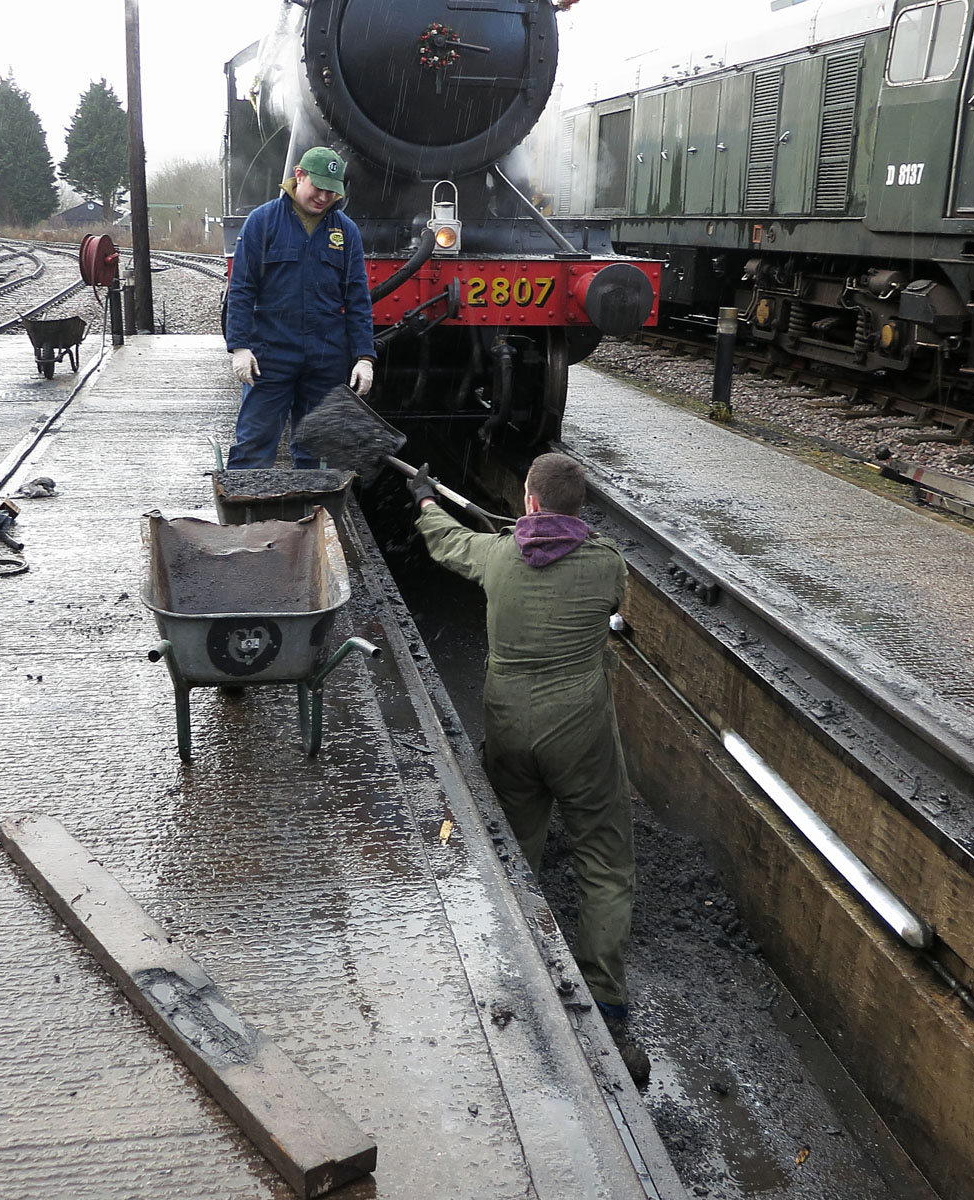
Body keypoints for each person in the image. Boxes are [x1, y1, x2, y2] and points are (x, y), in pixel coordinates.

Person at [408, 452, 649, 1085]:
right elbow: (601, 588)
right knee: (605, 860)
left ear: (529, 500)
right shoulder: (607, 565)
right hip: (582, 736)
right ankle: (608, 1010)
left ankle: (521, 980)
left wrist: (426, 500)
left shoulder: (495, 556)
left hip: (510, 731)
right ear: (576, 507)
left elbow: (448, 542)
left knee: (516, 853)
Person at [224, 146, 376, 469]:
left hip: (326, 358)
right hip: (270, 356)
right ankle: (247, 502)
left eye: (331, 191)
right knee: (254, 446)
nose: (323, 197)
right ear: (299, 176)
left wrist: (364, 357)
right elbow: (242, 289)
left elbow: (357, 299)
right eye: (318, 188)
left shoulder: (346, 232)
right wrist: (239, 346)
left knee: (319, 454)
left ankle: (313, 503)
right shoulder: (262, 222)